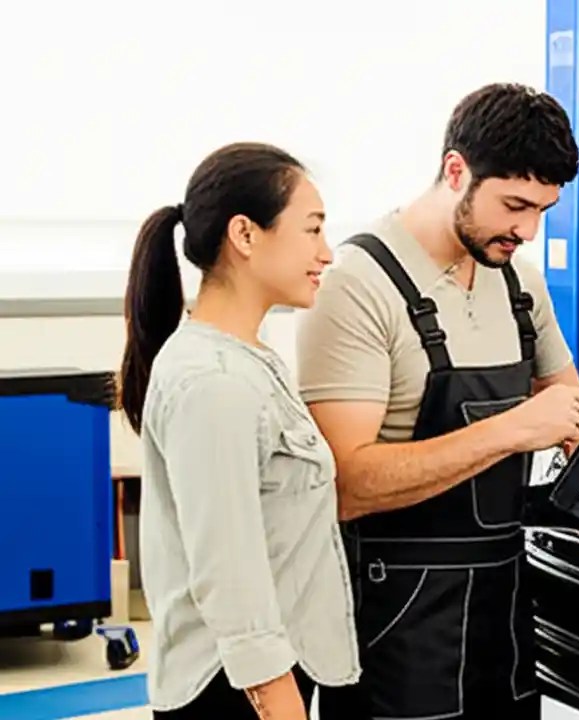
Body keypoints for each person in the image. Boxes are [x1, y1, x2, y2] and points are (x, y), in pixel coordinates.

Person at [296, 82, 579, 719]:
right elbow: (346, 485)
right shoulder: (357, 284)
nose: (528, 230)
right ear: (456, 171)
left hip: (504, 613)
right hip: (396, 625)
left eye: (543, 210)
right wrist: (513, 429)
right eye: (515, 205)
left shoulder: (519, 284)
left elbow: (572, 418)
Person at [117, 142, 360, 719]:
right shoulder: (214, 382)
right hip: (234, 690)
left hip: (268, 674)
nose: (326, 253)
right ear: (245, 235)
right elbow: (229, 576)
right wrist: (281, 707)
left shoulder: (248, 359)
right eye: (312, 229)